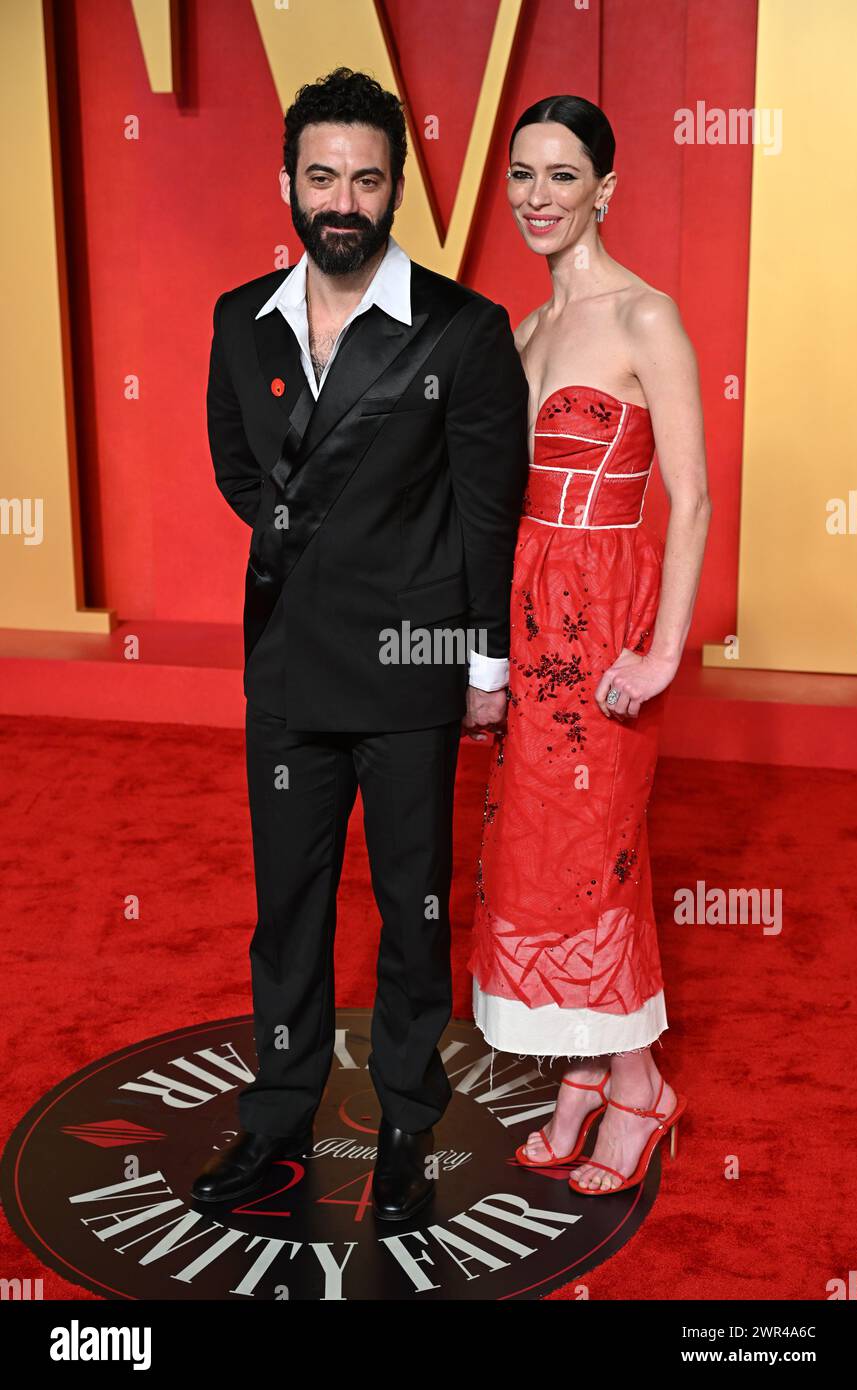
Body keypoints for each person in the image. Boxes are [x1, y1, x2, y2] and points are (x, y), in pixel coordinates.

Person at [192, 67, 528, 1220]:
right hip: (287, 664)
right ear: (286, 181)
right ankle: (278, 1120)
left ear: (396, 194)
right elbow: (244, 471)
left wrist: (483, 664)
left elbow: (489, 510)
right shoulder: (242, 320)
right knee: (286, 907)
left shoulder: (464, 330)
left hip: (413, 668)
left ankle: (403, 1124)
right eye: (321, 175)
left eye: (366, 179)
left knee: (410, 903)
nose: (342, 199)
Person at [470, 95, 711, 1195]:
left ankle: (639, 1083)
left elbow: (693, 496)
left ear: (603, 189)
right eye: (522, 174)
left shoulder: (644, 317)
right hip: (529, 615)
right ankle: (580, 1071)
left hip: (604, 611)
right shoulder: (521, 330)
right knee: (536, 845)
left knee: (593, 846)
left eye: (561, 176)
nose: (536, 197)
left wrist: (663, 653)